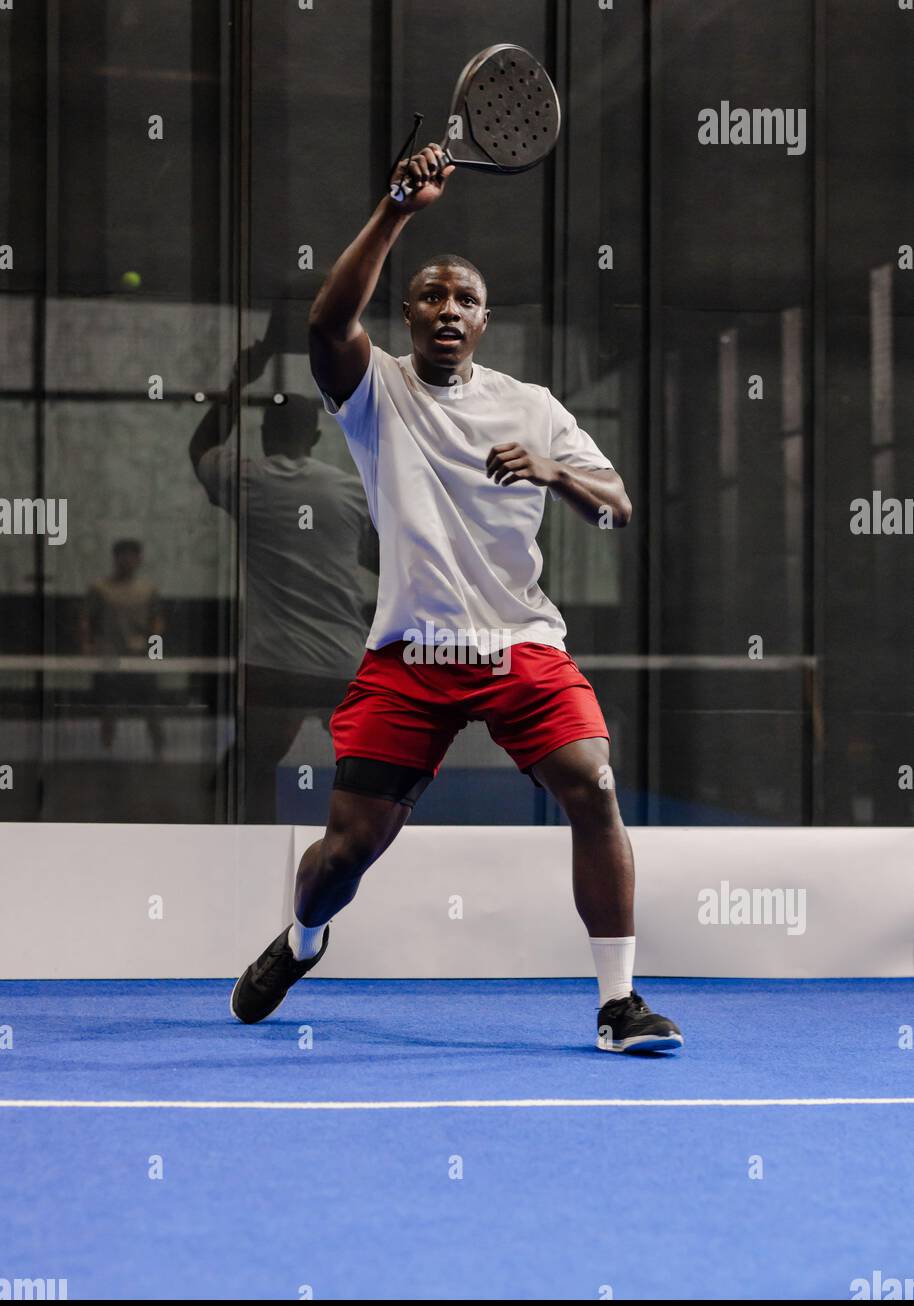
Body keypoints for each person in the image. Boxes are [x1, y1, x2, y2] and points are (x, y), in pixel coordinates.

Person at [231, 144, 683, 1053]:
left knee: (594, 787)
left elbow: (620, 506)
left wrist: (557, 471)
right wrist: (397, 208)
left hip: (520, 646)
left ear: (483, 322)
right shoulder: (376, 392)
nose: (448, 309)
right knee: (347, 853)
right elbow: (326, 323)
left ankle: (618, 1004)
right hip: (410, 656)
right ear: (407, 316)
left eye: (465, 299)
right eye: (431, 296)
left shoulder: (533, 405)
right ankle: (304, 939)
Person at [189, 341, 377, 822]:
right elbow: (385, 562)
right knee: (368, 778)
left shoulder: (247, 481)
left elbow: (200, 449)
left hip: (271, 664)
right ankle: (352, 866)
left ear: (265, 435)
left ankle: (253, 864)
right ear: (315, 438)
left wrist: (238, 384)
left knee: (252, 773)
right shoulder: (350, 492)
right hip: (342, 663)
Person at [80, 539, 166, 756]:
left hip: (140, 656)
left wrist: (155, 649)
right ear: (115, 558)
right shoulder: (99, 588)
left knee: (152, 708)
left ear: (139, 559)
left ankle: (160, 753)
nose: (127, 560)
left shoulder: (148, 589)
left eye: (132, 555)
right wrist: (88, 645)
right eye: (123, 555)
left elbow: (156, 620)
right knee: (108, 708)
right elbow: (86, 619)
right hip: (109, 656)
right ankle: (106, 751)